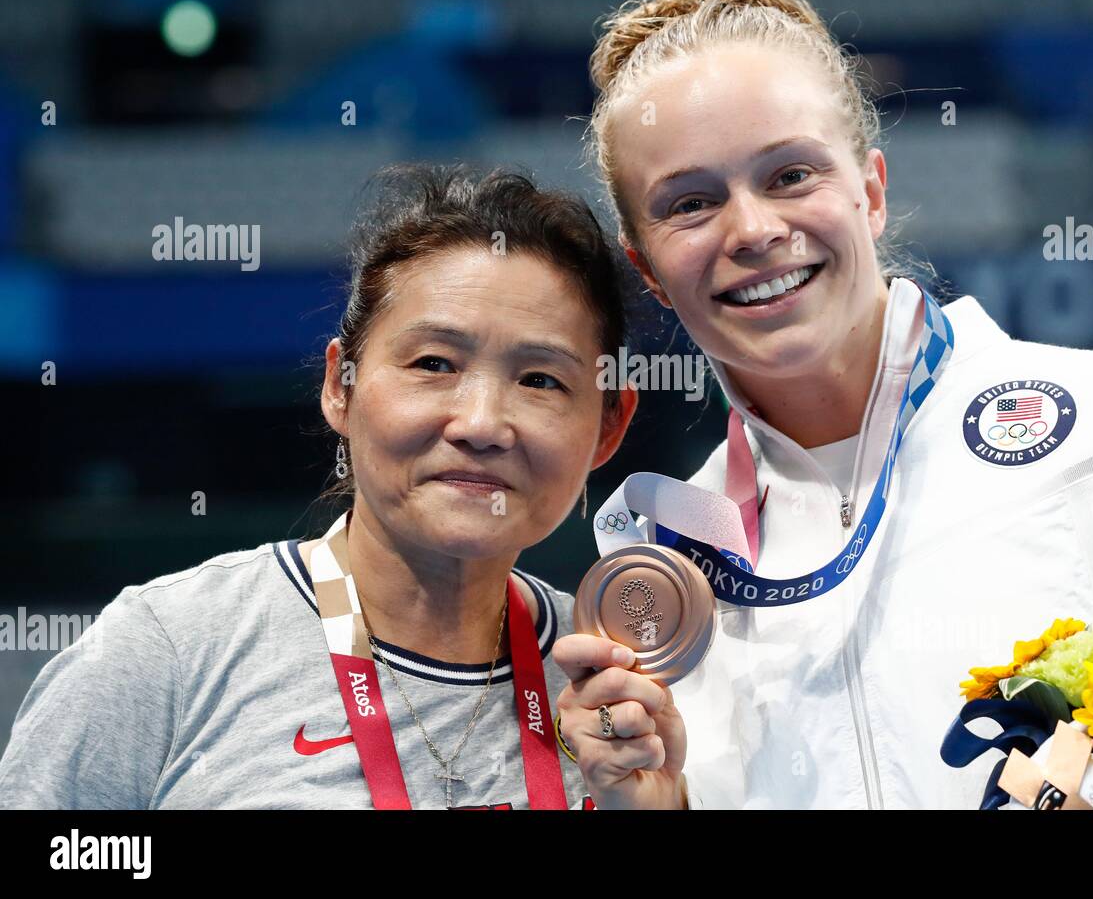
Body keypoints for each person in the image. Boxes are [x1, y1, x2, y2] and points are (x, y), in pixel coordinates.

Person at [553, 0, 1093, 809]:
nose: (755, 229)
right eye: (691, 202)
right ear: (647, 269)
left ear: (871, 191)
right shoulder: (660, 593)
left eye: (791, 175)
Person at [0, 163, 637, 809]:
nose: (480, 424)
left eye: (540, 380)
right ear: (341, 386)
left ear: (609, 427)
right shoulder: (166, 649)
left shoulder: (624, 687)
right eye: (434, 364)